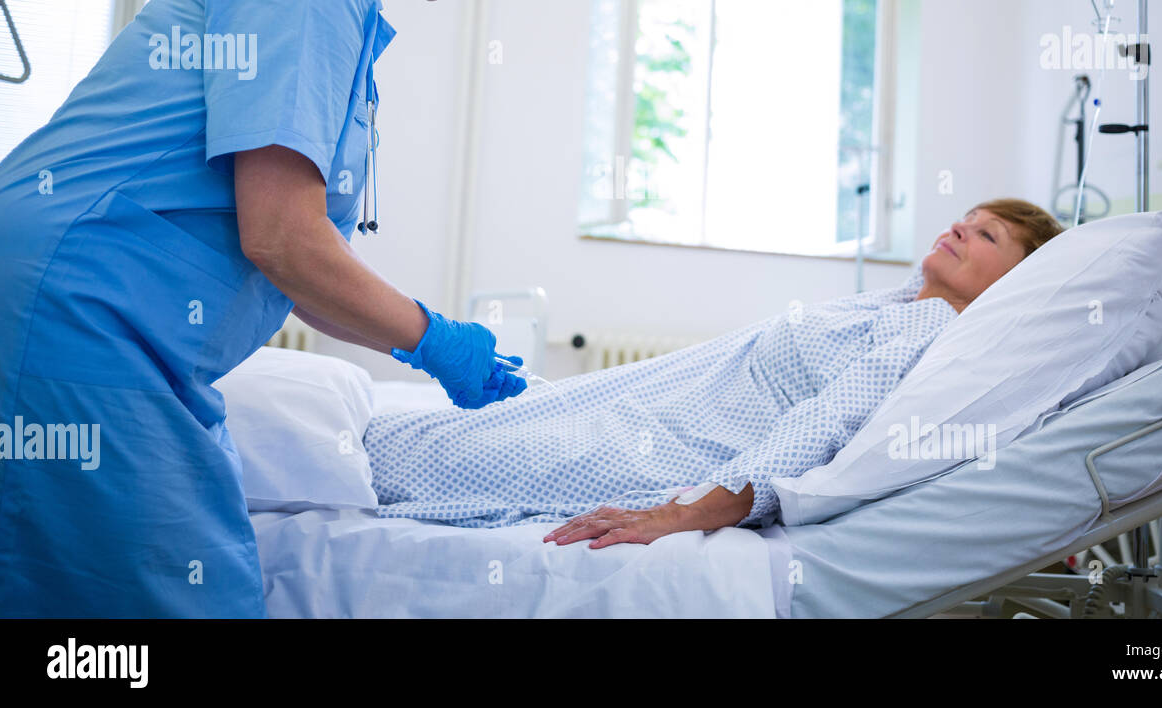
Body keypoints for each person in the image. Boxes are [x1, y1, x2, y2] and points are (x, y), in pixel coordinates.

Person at [0, 0, 526, 618]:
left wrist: (426, 349)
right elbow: (281, 237)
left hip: (114, 325)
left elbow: (301, 270)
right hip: (78, 311)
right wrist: (433, 335)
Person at [363, 198, 1064, 547]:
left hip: (673, 451)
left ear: (1013, 283)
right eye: (965, 218)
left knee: (438, 457)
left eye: (988, 235)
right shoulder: (896, 301)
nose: (961, 229)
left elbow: (824, 424)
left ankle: (294, 474)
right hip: (648, 411)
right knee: (438, 436)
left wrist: (684, 513)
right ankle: (297, 464)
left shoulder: (929, 330)